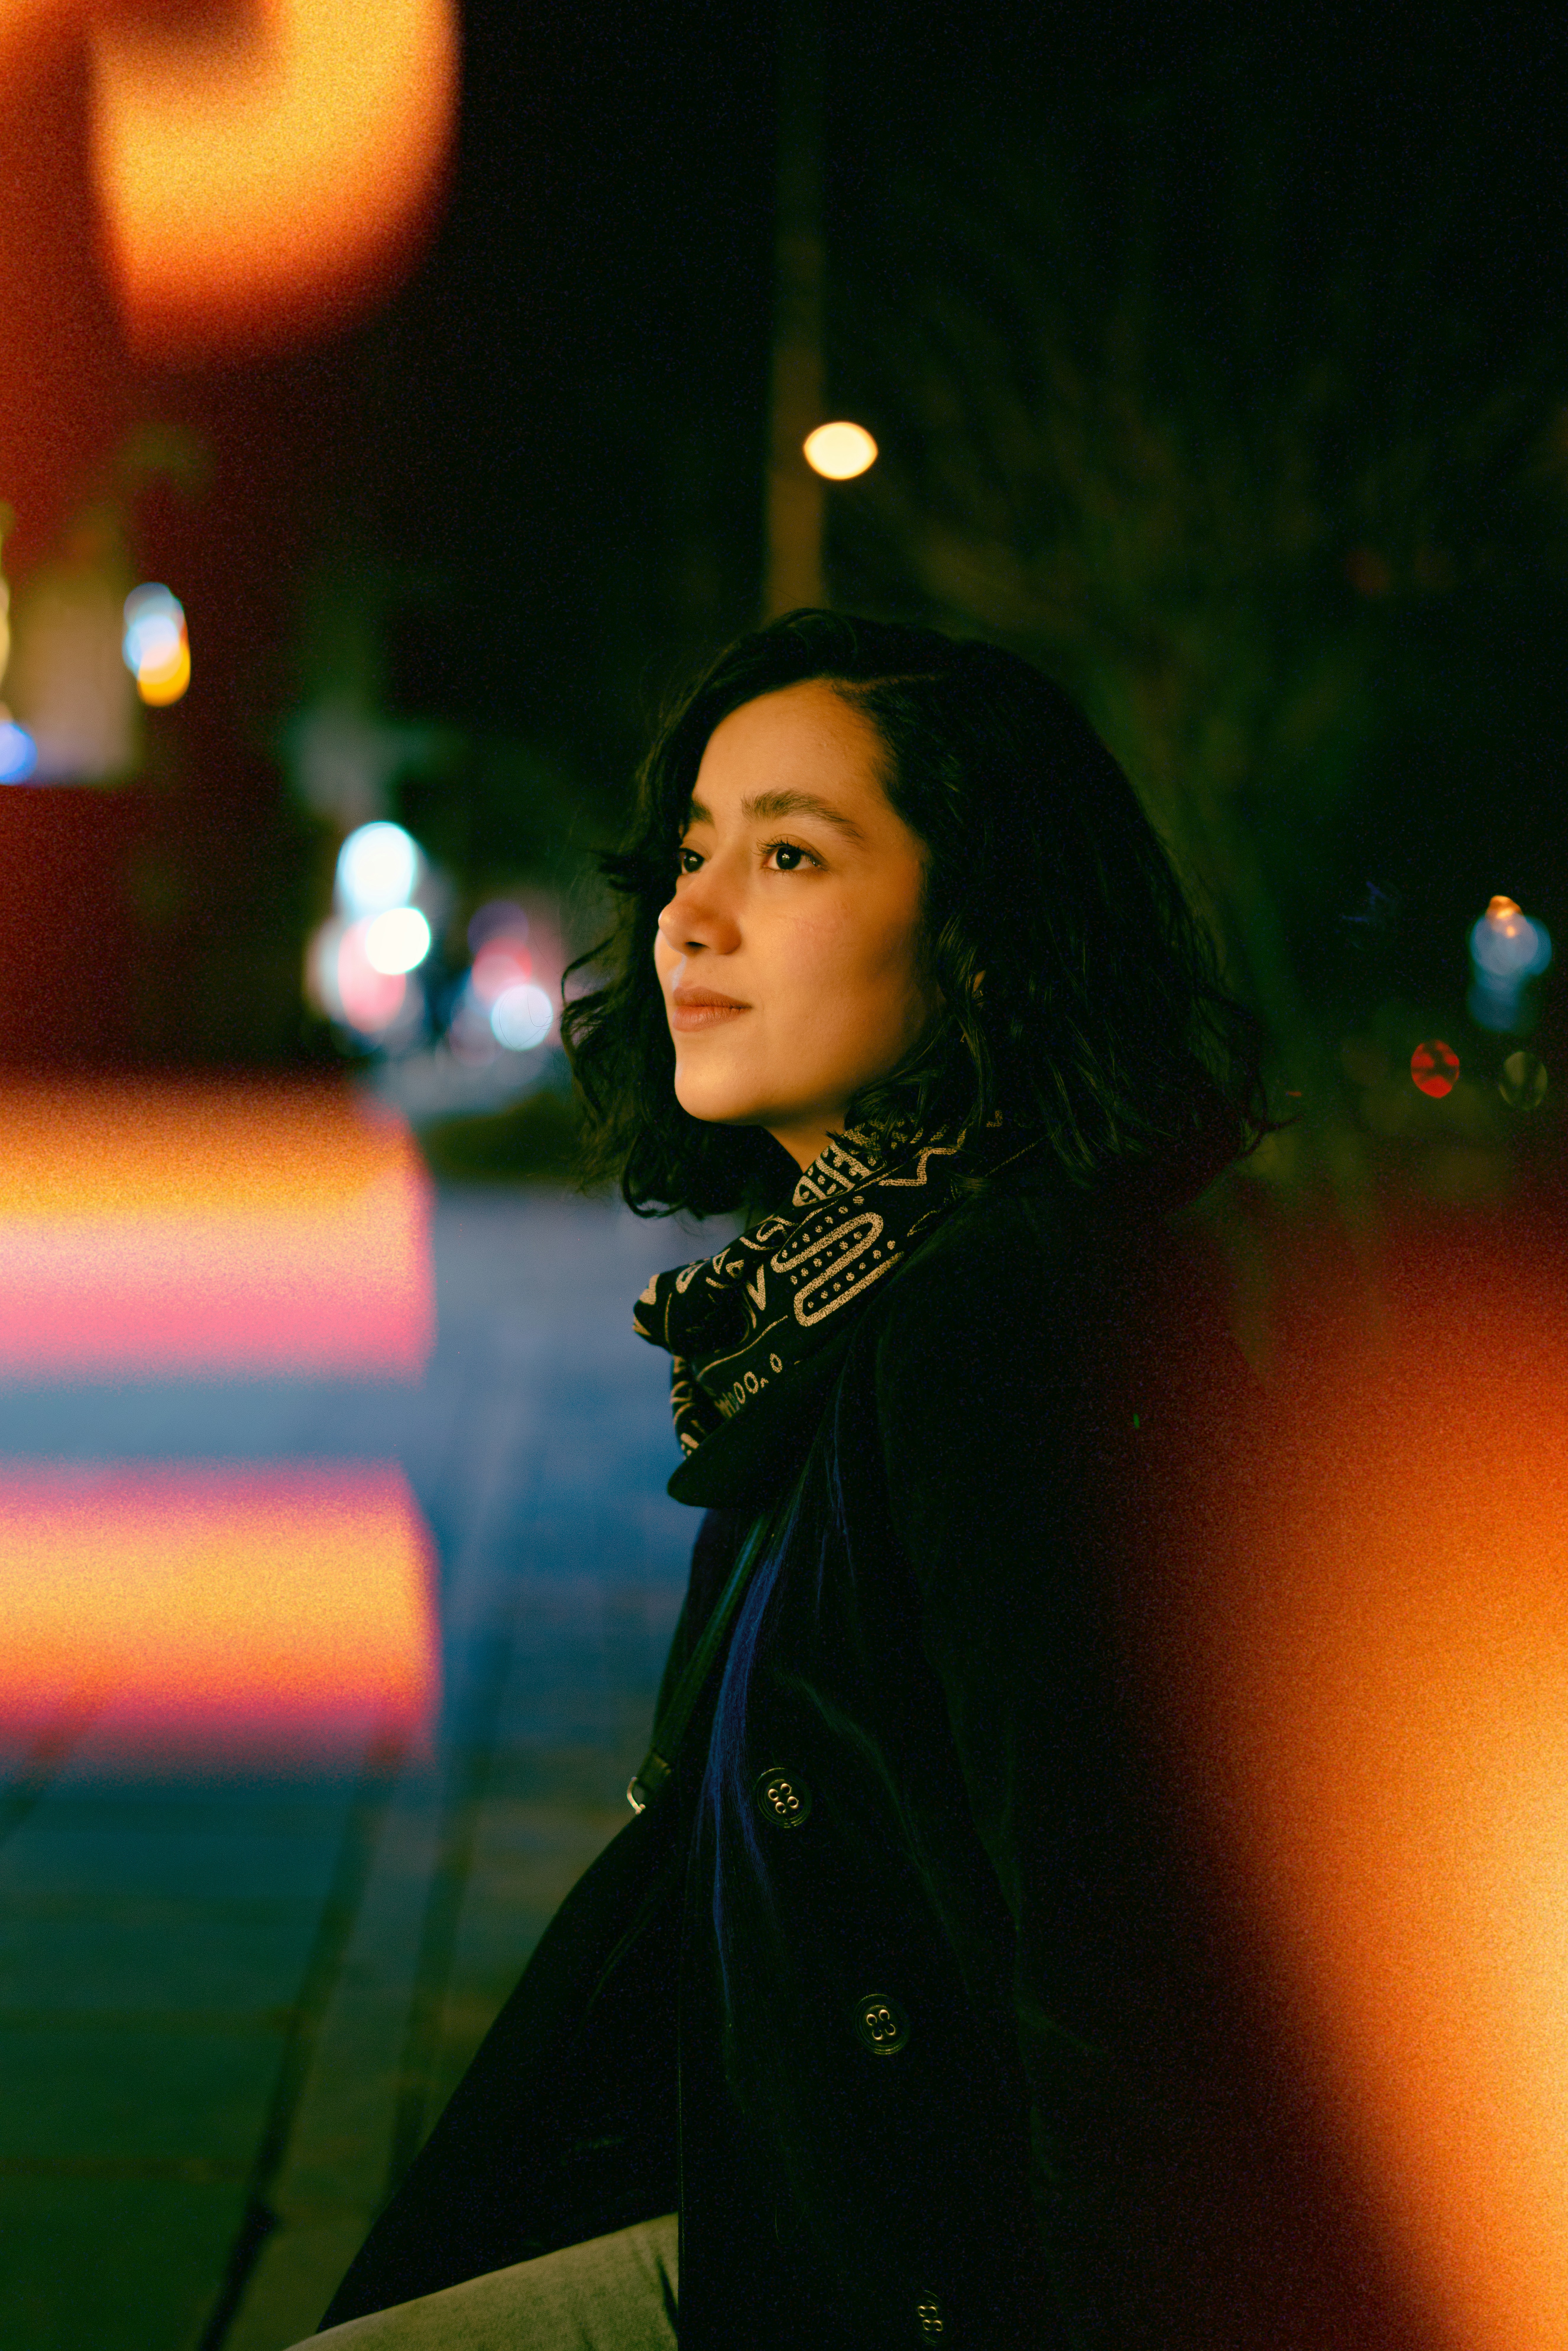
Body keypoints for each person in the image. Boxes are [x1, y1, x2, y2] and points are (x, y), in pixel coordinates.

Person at [304, 611, 1366, 2350]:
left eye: (790, 854)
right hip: (781, 2221)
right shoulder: (832, 1307)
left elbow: (1120, 1971)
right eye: (692, 851)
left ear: (976, 942)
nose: (691, 916)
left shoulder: (990, 1333)